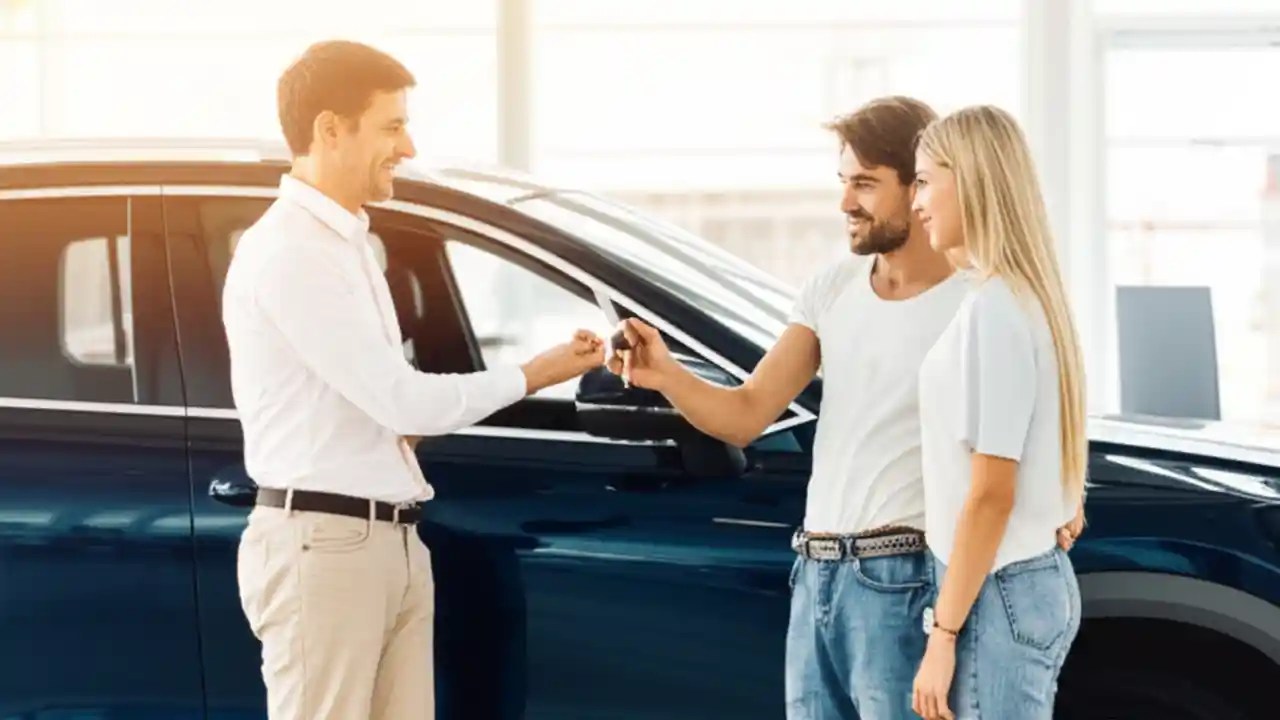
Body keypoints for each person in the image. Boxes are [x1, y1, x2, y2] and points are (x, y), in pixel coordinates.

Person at [223, 40, 604, 720]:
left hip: (384, 540)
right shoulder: (290, 254)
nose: (408, 146)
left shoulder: (347, 244)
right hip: (327, 547)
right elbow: (402, 399)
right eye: (392, 126)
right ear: (329, 130)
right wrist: (538, 371)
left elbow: (388, 414)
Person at [609, 96, 967, 719]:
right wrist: (664, 374)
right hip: (816, 574)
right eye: (842, 182)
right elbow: (748, 412)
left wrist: (1068, 495)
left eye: (864, 184)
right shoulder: (832, 289)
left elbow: (1034, 421)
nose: (845, 203)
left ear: (919, 187)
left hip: (905, 578)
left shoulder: (977, 299)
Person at [910, 104, 1087, 720]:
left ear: (975, 179)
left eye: (926, 180)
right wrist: (1062, 500)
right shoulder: (1017, 296)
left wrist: (943, 634)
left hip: (994, 594)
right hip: (1016, 583)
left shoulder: (996, 309)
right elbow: (1041, 438)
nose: (916, 203)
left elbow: (991, 494)